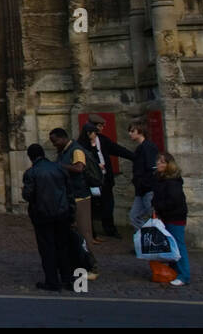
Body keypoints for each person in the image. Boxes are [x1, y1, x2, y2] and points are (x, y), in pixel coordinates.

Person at [22, 143, 73, 291]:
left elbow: (28, 195)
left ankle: (52, 281)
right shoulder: (59, 168)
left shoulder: (31, 173)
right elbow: (69, 192)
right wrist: (71, 212)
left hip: (42, 215)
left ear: (30, 157)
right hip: (62, 213)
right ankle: (67, 279)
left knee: (47, 248)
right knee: (63, 247)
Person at [49, 127, 93, 267]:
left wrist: (61, 166)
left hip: (80, 196)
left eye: (55, 141)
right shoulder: (64, 151)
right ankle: (77, 262)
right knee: (72, 232)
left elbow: (79, 168)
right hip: (70, 196)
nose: (53, 144)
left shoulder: (76, 150)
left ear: (63, 138)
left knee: (84, 232)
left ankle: (92, 265)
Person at [85, 114, 131, 239]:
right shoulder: (84, 143)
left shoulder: (103, 140)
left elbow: (117, 149)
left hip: (105, 179)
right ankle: (91, 232)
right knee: (92, 206)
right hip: (92, 181)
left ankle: (110, 229)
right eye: (99, 126)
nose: (101, 129)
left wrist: (133, 156)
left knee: (108, 205)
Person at [152, 151, 190, 286]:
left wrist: (159, 207)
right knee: (171, 246)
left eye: (162, 162)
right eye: (158, 161)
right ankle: (174, 270)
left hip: (174, 216)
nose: (158, 164)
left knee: (178, 246)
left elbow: (173, 200)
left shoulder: (172, 181)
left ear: (168, 165)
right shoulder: (160, 178)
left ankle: (184, 275)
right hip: (166, 215)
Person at [126, 120, 159, 231]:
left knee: (155, 217)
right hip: (141, 190)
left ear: (140, 131)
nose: (130, 133)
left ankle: (156, 242)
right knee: (134, 216)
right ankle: (145, 241)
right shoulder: (141, 148)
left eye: (132, 131)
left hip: (148, 189)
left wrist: (143, 183)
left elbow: (151, 168)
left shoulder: (148, 147)